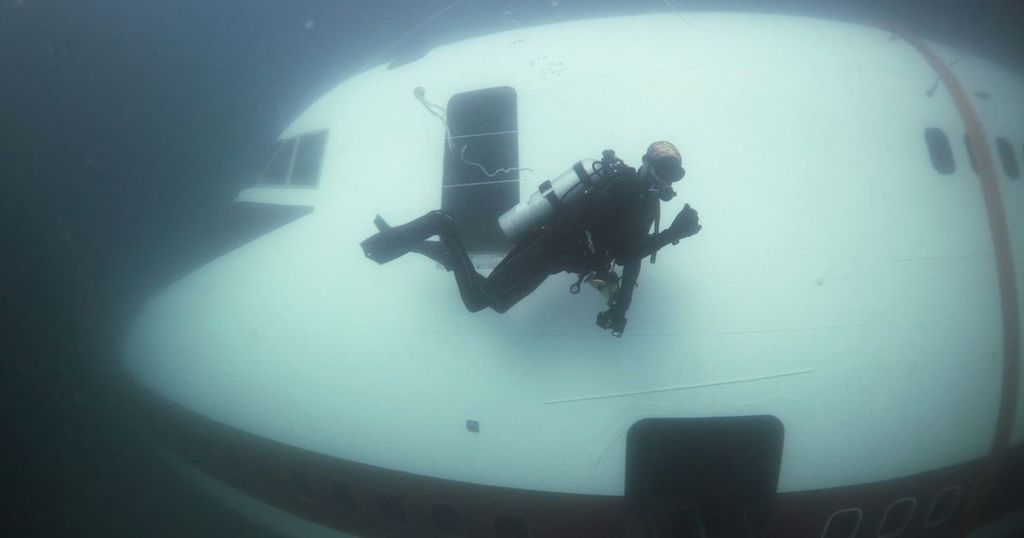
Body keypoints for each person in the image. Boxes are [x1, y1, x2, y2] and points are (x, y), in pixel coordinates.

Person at [360, 141, 702, 336]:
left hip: (552, 258)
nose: (666, 180)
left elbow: (632, 259)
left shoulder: (645, 202)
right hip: (546, 248)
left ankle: (425, 244)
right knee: (479, 301)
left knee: (494, 299)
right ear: (646, 165)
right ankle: (439, 224)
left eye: (674, 174)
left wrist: (621, 307)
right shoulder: (623, 189)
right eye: (662, 170)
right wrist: (674, 234)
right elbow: (625, 252)